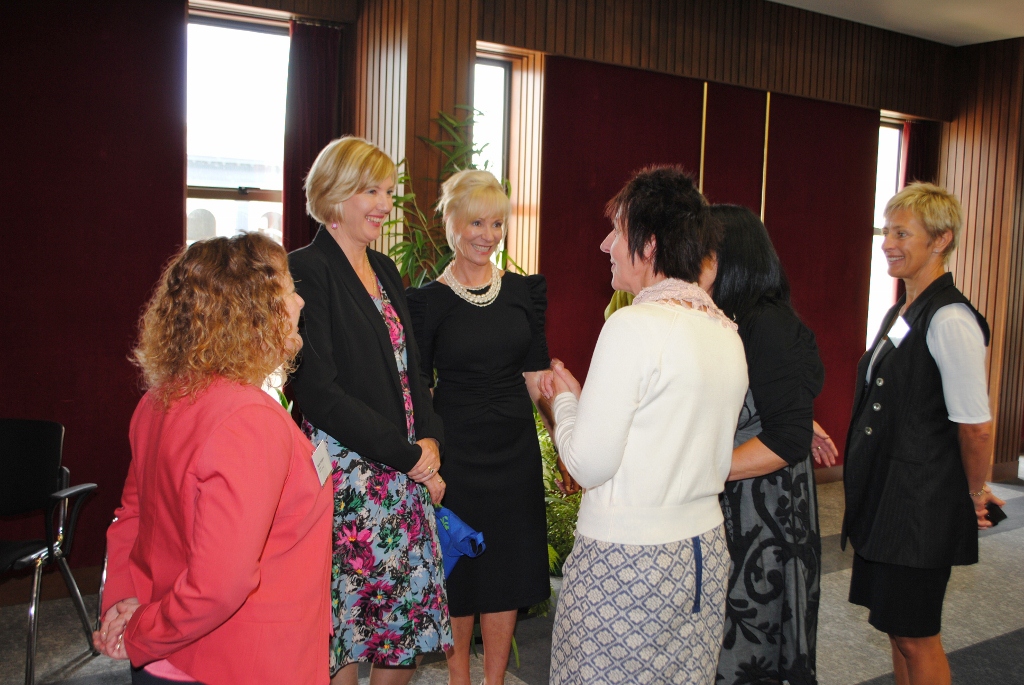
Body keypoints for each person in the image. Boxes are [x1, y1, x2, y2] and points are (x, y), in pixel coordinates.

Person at [94, 233, 332, 685]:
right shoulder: (248, 419)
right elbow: (220, 586)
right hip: (240, 663)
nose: (300, 301)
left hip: (169, 654)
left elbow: (132, 516)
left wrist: (124, 603)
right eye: (288, 289)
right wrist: (140, 631)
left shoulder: (160, 400)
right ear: (252, 312)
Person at [545, 166, 748, 685]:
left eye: (617, 231)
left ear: (650, 243)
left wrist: (563, 403)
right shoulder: (725, 331)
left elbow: (587, 464)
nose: (605, 245)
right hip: (701, 551)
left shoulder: (633, 326)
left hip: (629, 559)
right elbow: (659, 434)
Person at [288, 136, 452, 685]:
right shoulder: (305, 269)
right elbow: (319, 392)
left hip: (405, 473)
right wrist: (409, 456)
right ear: (335, 195)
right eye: (371, 192)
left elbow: (414, 372)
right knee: (346, 631)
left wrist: (430, 441)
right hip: (349, 480)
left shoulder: (383, 268)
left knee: (401, 630)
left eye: (388, 191)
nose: (385, 204)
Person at [842, 183, 1005, 685]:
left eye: (902, 233)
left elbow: (975, 426)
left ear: (941, 240)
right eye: (887, 232)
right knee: (896, 630)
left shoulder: (950, 318)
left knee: (917, 636)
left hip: (920, 505)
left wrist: (974, 493)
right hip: (891, 497)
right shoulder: (904, 311)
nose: (888, 243)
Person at [405, 170, 551, 685]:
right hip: (457, 454)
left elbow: (537, 376)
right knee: (461, 571)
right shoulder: (426, 302)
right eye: (476, 223)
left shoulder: (524, 293)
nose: (488, 235)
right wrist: (425, 461)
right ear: (451, 222)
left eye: (496, 224)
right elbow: (419, 389)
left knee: (507, 570)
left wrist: (563, 440)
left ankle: (493, 680)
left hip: (515, 451)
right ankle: (458, 679)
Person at [708, 205, 837, 685]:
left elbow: (783, 435)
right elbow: (769, 396)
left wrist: (699, 471)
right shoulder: (737, 317)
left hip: (763, 509)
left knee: (753, 637)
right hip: (746, 497)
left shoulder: (766, 321)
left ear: (730, 258)